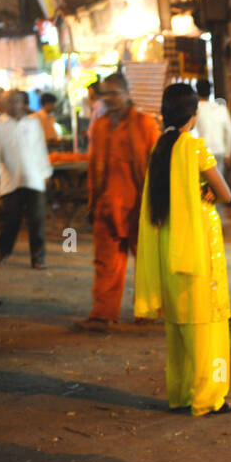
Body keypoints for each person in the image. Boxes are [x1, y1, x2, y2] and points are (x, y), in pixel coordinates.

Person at [134, 83, 231, 416]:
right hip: (197, 248)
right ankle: (210, 397)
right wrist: (206, 192)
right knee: (208, 327)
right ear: (193, 116)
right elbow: (226, 194)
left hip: (168, 247)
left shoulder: (160, 147)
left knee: (178, 328)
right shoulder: (193, 146)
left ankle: (180, 394)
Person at [82, 72, 162, 329]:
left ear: (128, 93)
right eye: (105, 94)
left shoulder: (144, 124)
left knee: (147, 263)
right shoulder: (101, 124)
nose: (109, 99)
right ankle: (103, 313)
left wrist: (157, 203)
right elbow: (94, 165)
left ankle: (148, 312)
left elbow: (157, 166)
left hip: (139, 205)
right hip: (106, 205)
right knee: (106, 262)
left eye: (114, 93)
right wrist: (93, 201)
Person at [0, 90, 52, 269]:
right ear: (3, 104)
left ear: (23, 103)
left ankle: (38, 258)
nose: (12, 105)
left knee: (37, 220)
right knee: (9, 220)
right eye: (8, 102)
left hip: (34, 178)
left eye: (16, 101)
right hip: (9, 180)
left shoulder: (33, 123)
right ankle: (3, 253)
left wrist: (46, 172)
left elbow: (41, 148)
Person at [193, 79, 231, 168]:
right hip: (219, 151)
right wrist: (228, 154)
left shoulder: (195, 110)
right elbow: (229, 132)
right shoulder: (220, 108)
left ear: (197, 91)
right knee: (219, 180)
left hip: (202, 152)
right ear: (210, 91)